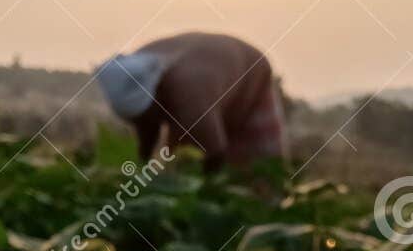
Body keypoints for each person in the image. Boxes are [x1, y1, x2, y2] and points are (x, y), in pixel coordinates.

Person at [94, 31, 286, 172]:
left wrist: (207, 194)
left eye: (143, 116)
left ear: (156, 97)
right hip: (213, 73)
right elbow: (147, 130)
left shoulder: (190, 95)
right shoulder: (136, 69)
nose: (143, 124)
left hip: (250, 72)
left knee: (258, 169)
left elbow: (215, 155)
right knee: (180, 159)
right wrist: (139, 169)